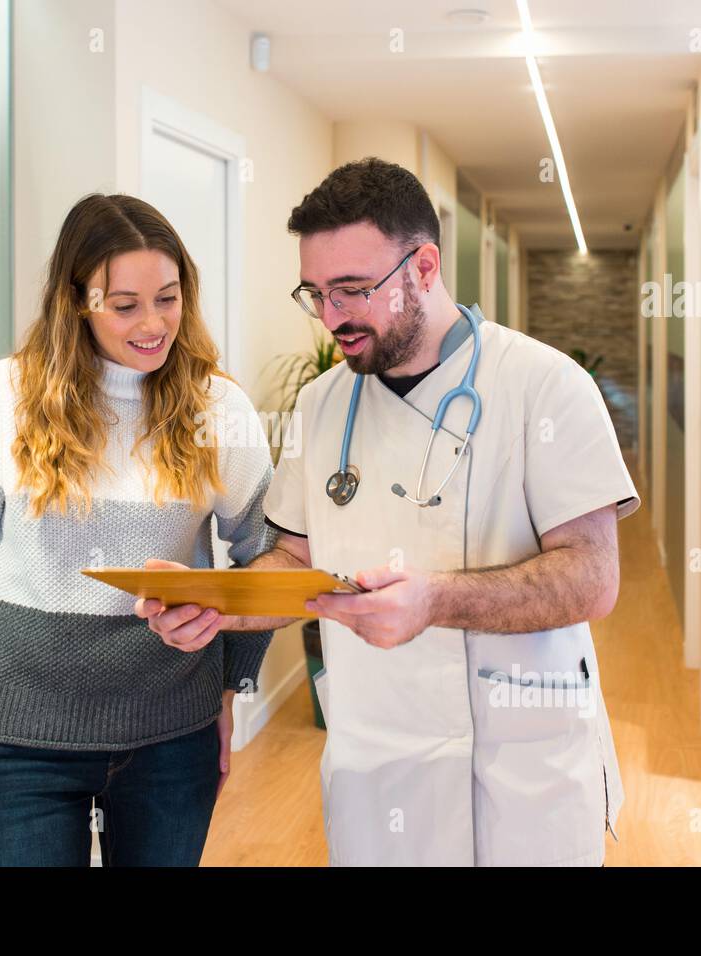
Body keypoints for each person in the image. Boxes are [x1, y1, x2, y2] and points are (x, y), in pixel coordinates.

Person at [137, 157, 639, 866]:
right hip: (381, 759)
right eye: (314, 292)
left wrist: (434, 600)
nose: (331, 315)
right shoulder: (321, 405)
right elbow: (296, 560)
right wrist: (220, 605)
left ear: (425, 266)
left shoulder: (543, 386)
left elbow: (593, 578)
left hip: (523, 764)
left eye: (352, 289)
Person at [0, 193, 277, 866]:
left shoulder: (219, 409)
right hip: (21, 748)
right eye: (124, 304)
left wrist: (229, 693)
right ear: (77, 300)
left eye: (168, 298)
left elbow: (267, 560)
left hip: (174, 738)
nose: (154, 324)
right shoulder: (4, 398)